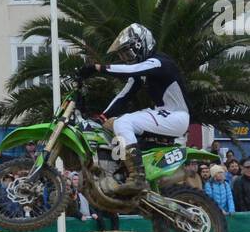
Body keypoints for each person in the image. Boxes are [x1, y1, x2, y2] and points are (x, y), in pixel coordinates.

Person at [80, 23, 190, 195]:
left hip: (176, 116)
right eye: (123, 55)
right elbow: (124, 95)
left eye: (128, 52)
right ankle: (121, 171)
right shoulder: (144, 71)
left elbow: (132, 69)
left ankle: (137, 176)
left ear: (141, 44)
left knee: (124, 122)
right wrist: (103, 116)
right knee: (111, 124)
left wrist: (98, 68)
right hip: (165, 116)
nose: (126, 58)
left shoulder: (159, 62)